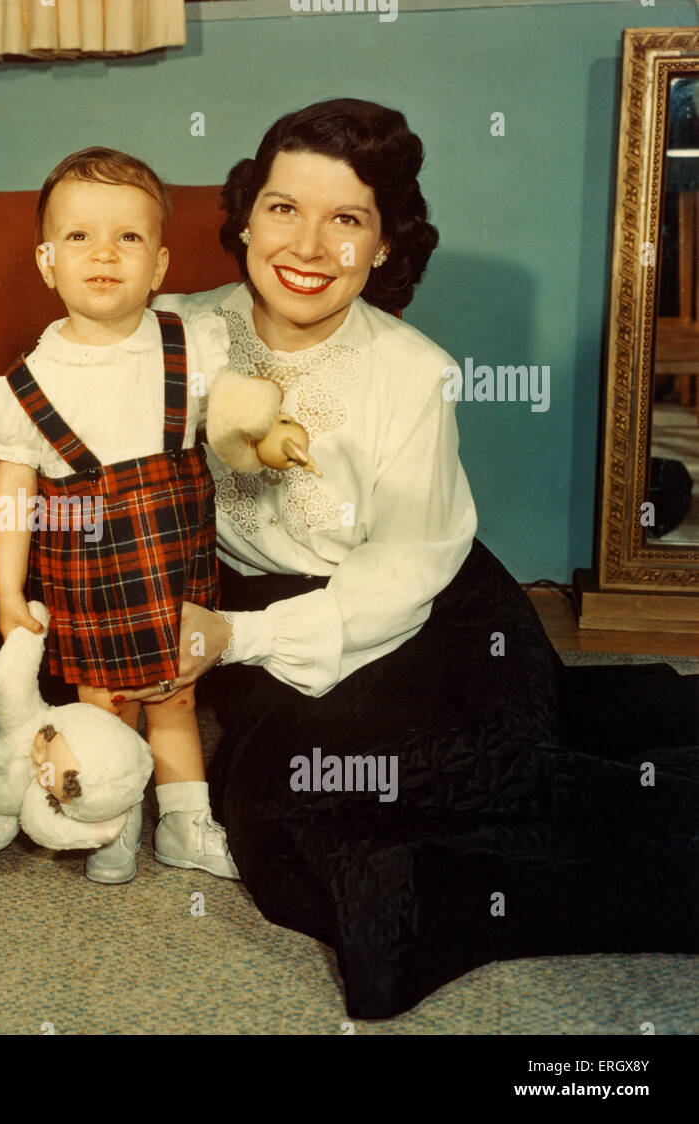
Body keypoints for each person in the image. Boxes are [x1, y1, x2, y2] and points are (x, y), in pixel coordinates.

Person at [132, 99, 699, 1018]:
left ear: (387, 244)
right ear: (244, 216)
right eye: (284, 208)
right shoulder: (169, 332)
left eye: (346, 218)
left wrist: (234, 638)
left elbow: (403, 572)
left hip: (434, 612)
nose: (308, 245)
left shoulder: (413, 369)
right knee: (286, 801)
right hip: (268, 615)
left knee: (452, 776)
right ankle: (626, 730)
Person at [0, 148, 237, 885]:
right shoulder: (25, 387)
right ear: (46, 261)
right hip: (91, 574)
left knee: (179, 699)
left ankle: (186, 822)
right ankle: (111, 820)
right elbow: (14, 498)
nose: (104, 254)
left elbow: (240, 434)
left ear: (158, 265)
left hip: (177, 557)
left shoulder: (191, 346)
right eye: (80, 237)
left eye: (129, 237)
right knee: (106, 706)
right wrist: (4, 593)